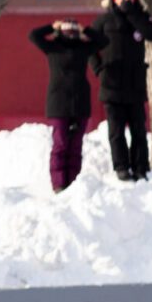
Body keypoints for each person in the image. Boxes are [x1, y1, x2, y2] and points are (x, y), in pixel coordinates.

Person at [91, 0, 152, 180]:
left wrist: (133, 13)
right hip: (112, 85)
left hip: (135, 85)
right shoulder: (105, 20)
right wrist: (98, 69)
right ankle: (121, 168)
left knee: (139, 130)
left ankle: (141, 168)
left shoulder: (140, 18)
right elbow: (89, 45)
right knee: (116, 132)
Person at [29, 16, 107, 191]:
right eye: (66, 29)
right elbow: (33, 35)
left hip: (80, 102)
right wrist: (51, 26)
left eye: (73, 30)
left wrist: (84, 29)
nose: (70, 33)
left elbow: (103, 41)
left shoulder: (83, 48)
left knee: (76, 146)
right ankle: (58, 183)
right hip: (58, 103)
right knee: (61, 144)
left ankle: (73, 183)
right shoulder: (52, 47)